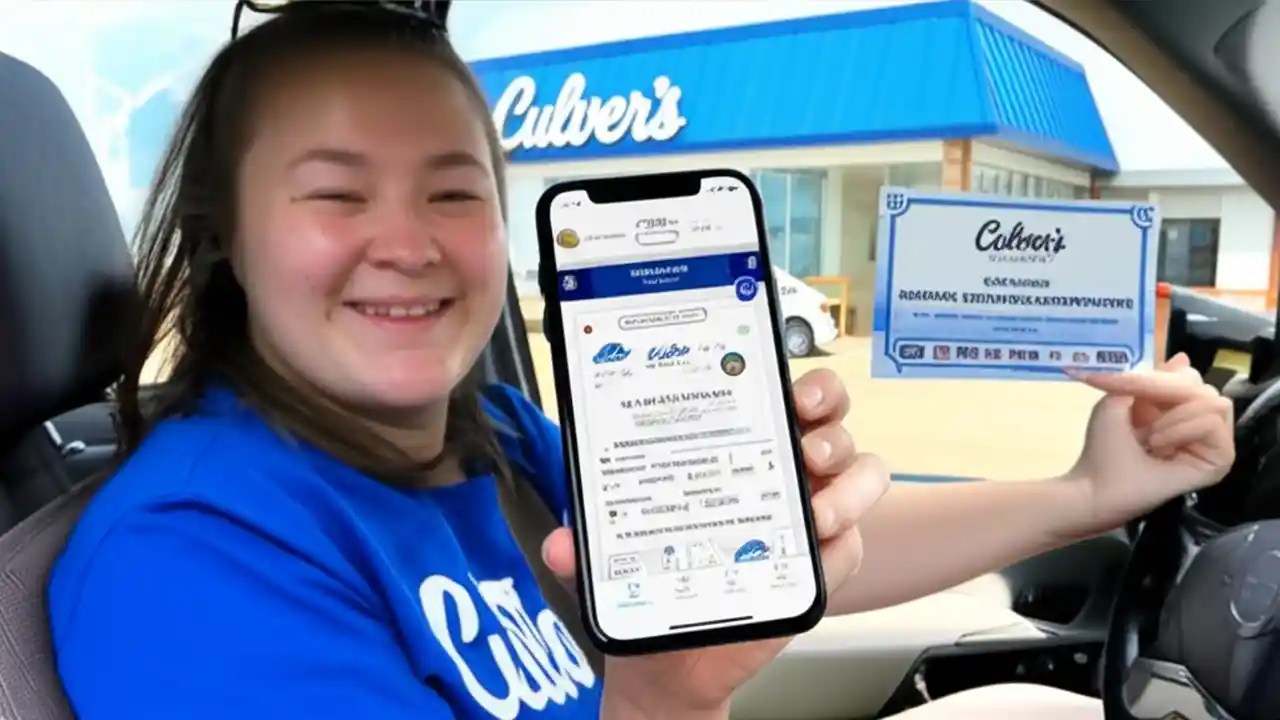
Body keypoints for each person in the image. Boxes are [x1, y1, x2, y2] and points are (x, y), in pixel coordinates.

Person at [46, 5, 1235, 719]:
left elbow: (772, 568)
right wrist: (671, 694)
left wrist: (1091, 494)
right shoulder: (185, 560)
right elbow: (680, 671)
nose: (406, 243)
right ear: (225, 241)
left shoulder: (500, 437)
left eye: (453, 192)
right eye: (334, 194)